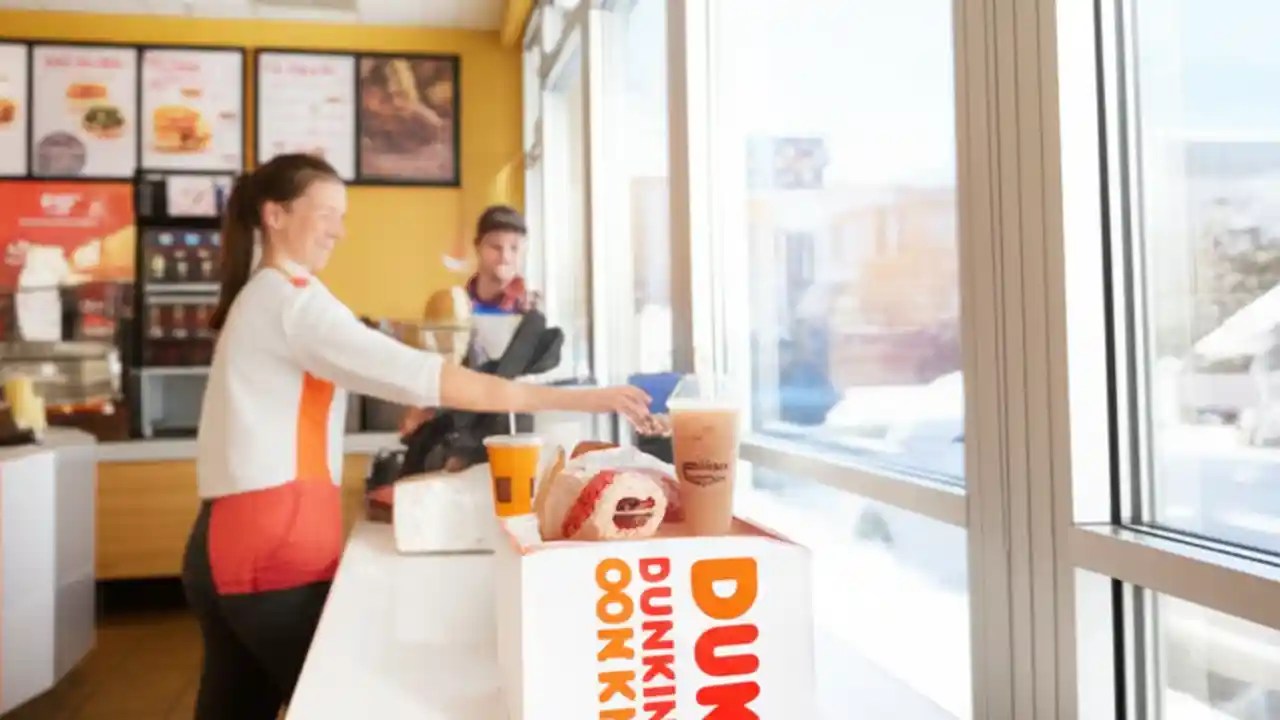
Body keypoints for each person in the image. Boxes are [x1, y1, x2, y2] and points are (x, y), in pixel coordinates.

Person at [183, 153, 650, 720]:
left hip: (228, 545)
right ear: (274, 215)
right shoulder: (292, 301)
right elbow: (435, 378)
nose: (339, 228)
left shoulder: (266, 296)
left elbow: (401, 379)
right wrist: (585, 398)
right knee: (349, 705)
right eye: (326, 211)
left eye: (342, 214)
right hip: (271, 549)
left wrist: (420, 398)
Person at [466, 204, 538, 313]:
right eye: (496, 247)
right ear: (477, 246)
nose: (505, 257)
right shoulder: (458, 305)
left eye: (514, 248)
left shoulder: (532, 309)